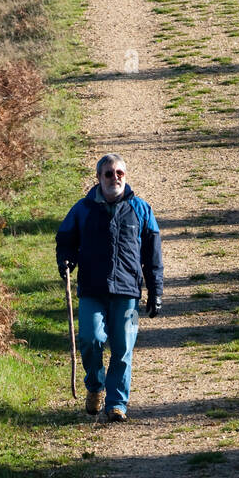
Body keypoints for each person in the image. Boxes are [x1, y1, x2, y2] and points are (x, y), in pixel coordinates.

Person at [55, 153, 163, 421]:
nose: (115, 178)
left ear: (125, 176)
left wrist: (155, 291)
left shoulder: (141, 209)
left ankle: (117, 404)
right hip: (92, 289)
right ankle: (95, 386)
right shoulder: (82, 209)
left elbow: (152, 254)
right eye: (109, 174)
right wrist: (66, 260)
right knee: (91, 341)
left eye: (119, 173)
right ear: (99, 178)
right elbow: (65, 239)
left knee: (123, 348)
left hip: (127, 292)